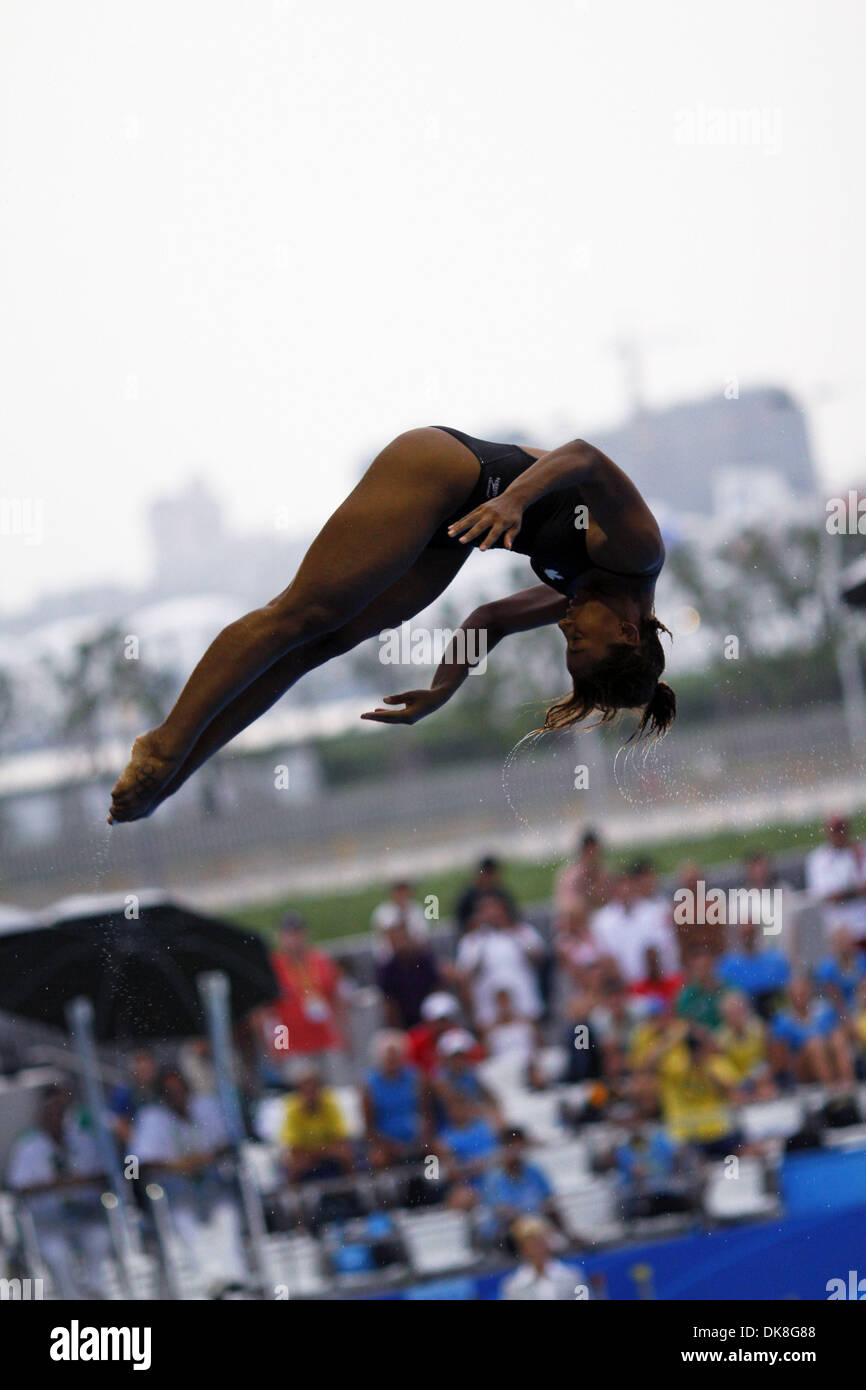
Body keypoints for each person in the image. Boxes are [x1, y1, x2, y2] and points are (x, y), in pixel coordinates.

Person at [108, 427, 673, 822]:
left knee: (326, 641)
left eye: (567, 641)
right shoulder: (638, 549)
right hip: (448, 468)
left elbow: (491, 620)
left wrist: (441, 691)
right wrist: (514, 503)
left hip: (452, 525)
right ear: (627, 632)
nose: (565, 627)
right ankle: (162, 746)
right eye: (578, 638)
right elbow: (586, 456)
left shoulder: (589, 595)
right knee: (302, 613)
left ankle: (181, 768)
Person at [6, 1086, 113, 1299]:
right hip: (49, 1223)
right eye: (51, 1115)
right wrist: (51, 1185)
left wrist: (79, 1181)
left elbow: (104, 1175)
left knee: (99, 1237)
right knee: (57, 1255)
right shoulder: (28, 1147)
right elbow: (17, 1187)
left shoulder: (81, 1140)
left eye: (60, 1114)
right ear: (43, 1119)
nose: (56, 1120)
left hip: (84, 1216)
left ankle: (94, 1289)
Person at [266, 913, 348, 1078]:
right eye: (289, 934)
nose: (294, 939)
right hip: (293, 1046)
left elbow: (337, 1000)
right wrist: (277, 1046)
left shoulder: (320, 960)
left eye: (297, 932)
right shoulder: (274, 967)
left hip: (325, 1040)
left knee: (334, 1091)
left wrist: (344, 1035)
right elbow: (268, 1013)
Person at [456, 891, 544, 1031]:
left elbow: (538, 956)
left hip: (524, 1001)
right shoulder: (471, 941)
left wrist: (512, 932)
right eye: (486, 910)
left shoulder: (523, 931)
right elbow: (465, 974)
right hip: (489, 1008)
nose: (492, 914)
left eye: (495, 909)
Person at [479, 1128, 561, 1249]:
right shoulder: (493, 1178)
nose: (516, 1151)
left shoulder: (535, 1171)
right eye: (511, 1146)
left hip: (537, 1228)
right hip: (507, 1234)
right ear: (503, 1149)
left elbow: (548, 1201)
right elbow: (502, 1212)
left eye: (519, 1146)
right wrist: (531, 1223)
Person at [362, 1031, 432, 1170]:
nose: (392, 1060)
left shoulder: (415, 1079)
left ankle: (435, 1184)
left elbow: (427, 1113)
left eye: (395, 1056)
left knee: (436, 1152)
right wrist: (389, 1145)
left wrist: (424, 1137)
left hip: (417, 1138)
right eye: (389, 1056)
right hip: (386, 1143)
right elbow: (369, 1127)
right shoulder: (369, 1086)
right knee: (378, 1159)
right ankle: (387, 1191)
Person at [768, 977, 854, 1087]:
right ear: (789, 996)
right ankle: (830, 1086)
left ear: (810, 991)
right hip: (803, 1067)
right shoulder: (781, 1021)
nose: (800, 997)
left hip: (828, 1056)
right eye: (796, 994)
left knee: (837, 1039)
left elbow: (838, 1033)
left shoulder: (825, 1009)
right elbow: (780, 1062)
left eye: (803, 992)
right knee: (815, 1044)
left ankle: (848, 1080)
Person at [279, 1061, 354, 1183]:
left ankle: (352, 1193)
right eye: (306, 1086)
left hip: (323, 1151)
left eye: (313, 1085)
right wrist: (321, 1151)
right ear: (299, 1089)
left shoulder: (330, 1103)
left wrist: (319, 1151)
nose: (310, 1090)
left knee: (346, 1155)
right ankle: (296, 1200)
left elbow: (340, 1136)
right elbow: (293, 1146)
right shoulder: (291, 1108)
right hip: (310, 1153)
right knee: (293, 1166)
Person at [805, 813, 866, 946]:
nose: (839, 834)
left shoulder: (860, 852)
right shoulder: (819, 859)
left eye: (842, 829)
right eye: (836, 830)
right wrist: (855, 892)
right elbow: (827, 896)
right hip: (840, 932)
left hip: (862, 926)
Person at [717, 920, 790, 1020]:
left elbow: (786, 992)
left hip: (774, 1016)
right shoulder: (727, 965)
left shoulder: (776, 960)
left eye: (751, 932)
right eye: (745, 933)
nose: (748, 938)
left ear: (757, 932)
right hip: (743, 1021)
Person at [376, 919, 442, 1029]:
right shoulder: (387, 970)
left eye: (403, 937)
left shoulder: (424, 960)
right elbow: (390, 1005)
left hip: (430, 1020)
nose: (402, 942)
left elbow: (436, 991)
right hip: (407, 1025)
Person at [500, 1216, 583, 1301]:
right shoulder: (513, 1286)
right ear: (522, 1249)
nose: (536, 1249)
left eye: (539, 1242)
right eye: (531, 1244)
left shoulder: (571, 1276)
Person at [554, 829, 611, 917]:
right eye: (590, 852)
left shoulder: (605, 873)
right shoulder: (570, 877)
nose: (593, 856)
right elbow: (567, 908)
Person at [455, 855, 517, 933]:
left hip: (502, 934)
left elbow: (513, 918)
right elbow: (461, 923)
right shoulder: (468, 897)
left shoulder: (501, 893)